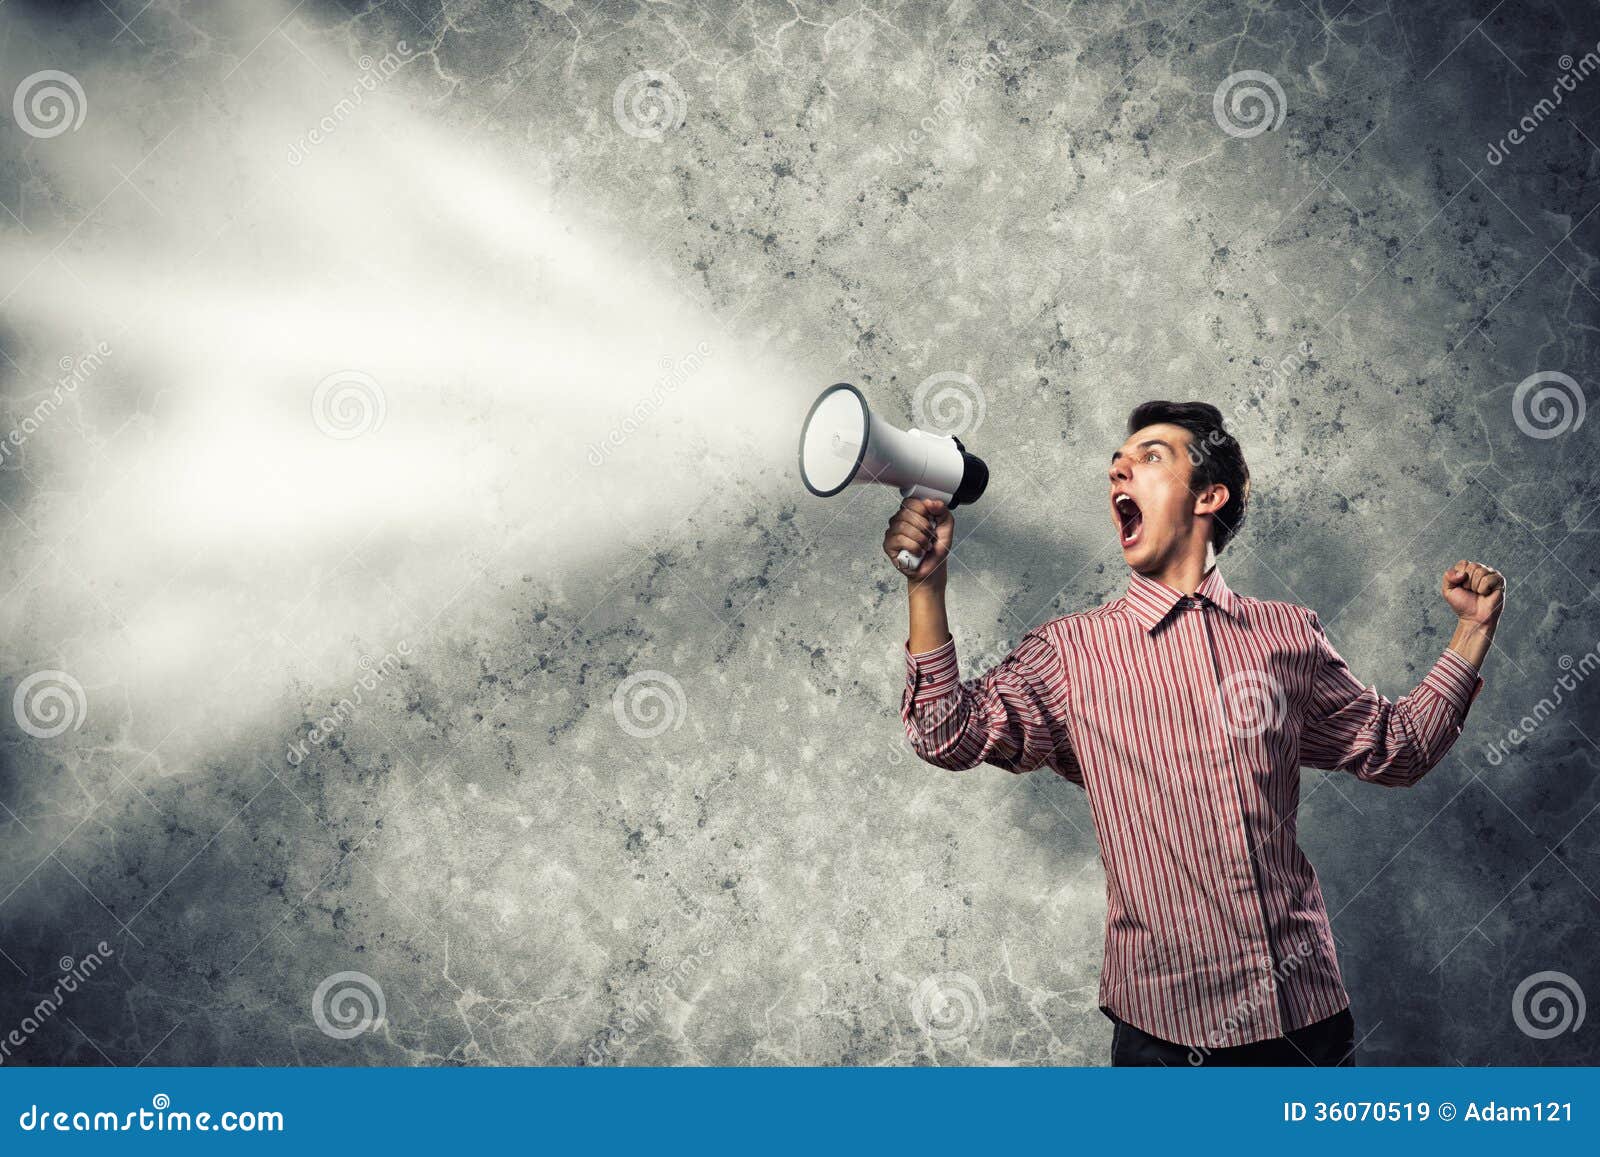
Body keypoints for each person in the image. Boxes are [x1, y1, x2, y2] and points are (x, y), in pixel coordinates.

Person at [886, 400, 1505, 1066]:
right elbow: (943, 733)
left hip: (1308, 1024)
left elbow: (1398, 749)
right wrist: (928, 584)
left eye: (1152, 455)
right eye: (1119, 461)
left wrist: (1472, 631)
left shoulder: (1287, 634)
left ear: (1209, 495)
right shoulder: (1069, 654)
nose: (1120, 466)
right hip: (1166, 1040)